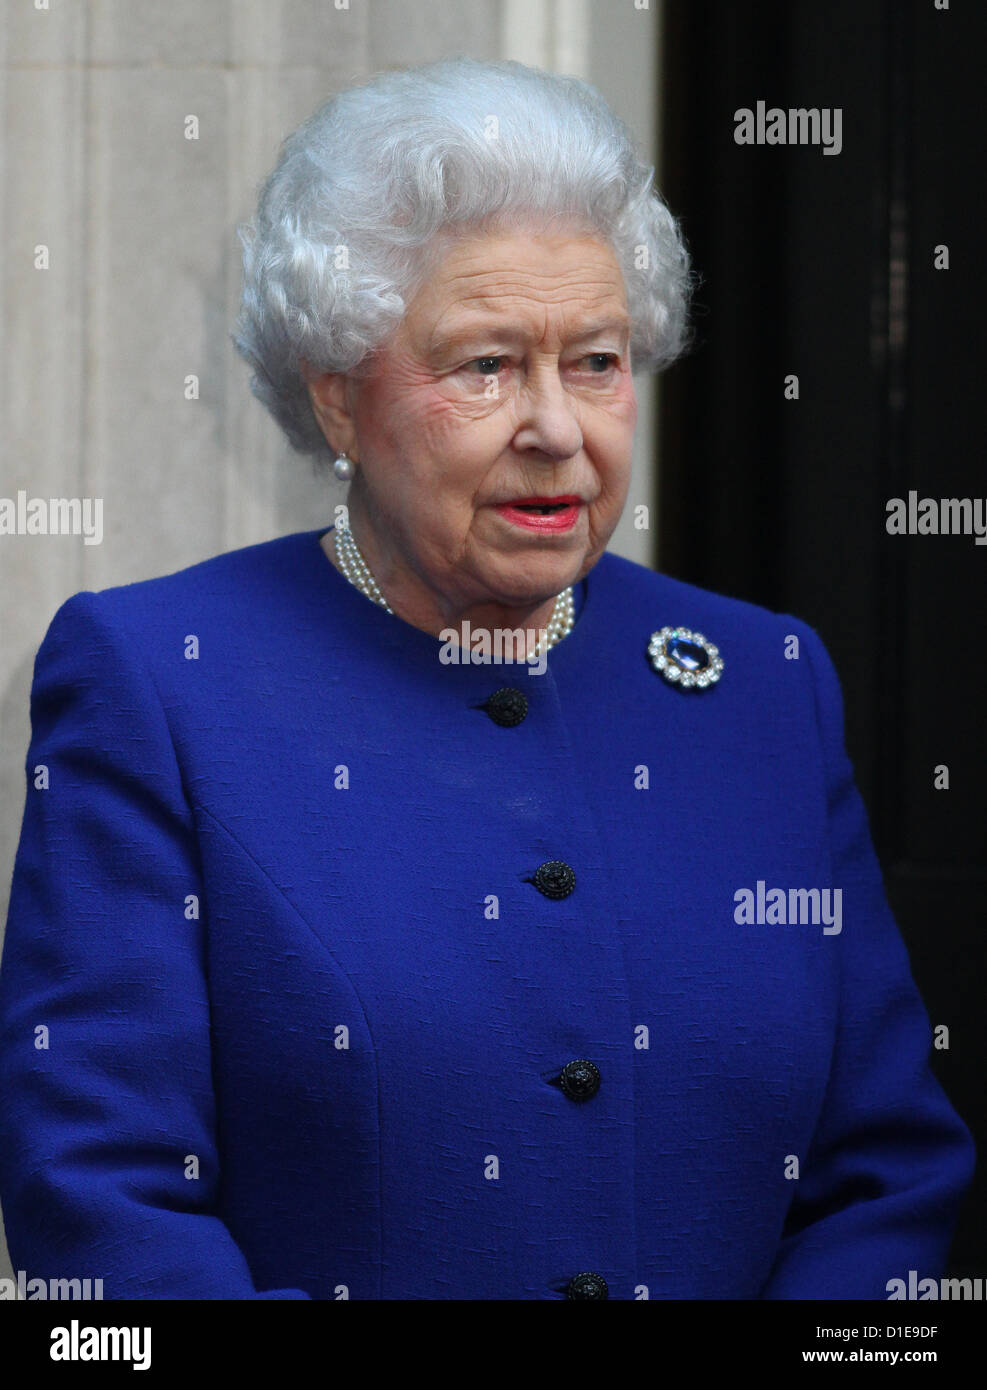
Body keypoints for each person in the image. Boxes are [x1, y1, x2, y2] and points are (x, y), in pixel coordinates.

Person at [0, 56, 974, 1301]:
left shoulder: (761, 685)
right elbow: (101, 1206)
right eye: (486, 365)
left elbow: (883, 1172)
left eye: (598, 361)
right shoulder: (161, 681)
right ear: (340, 395)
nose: (559, 427)